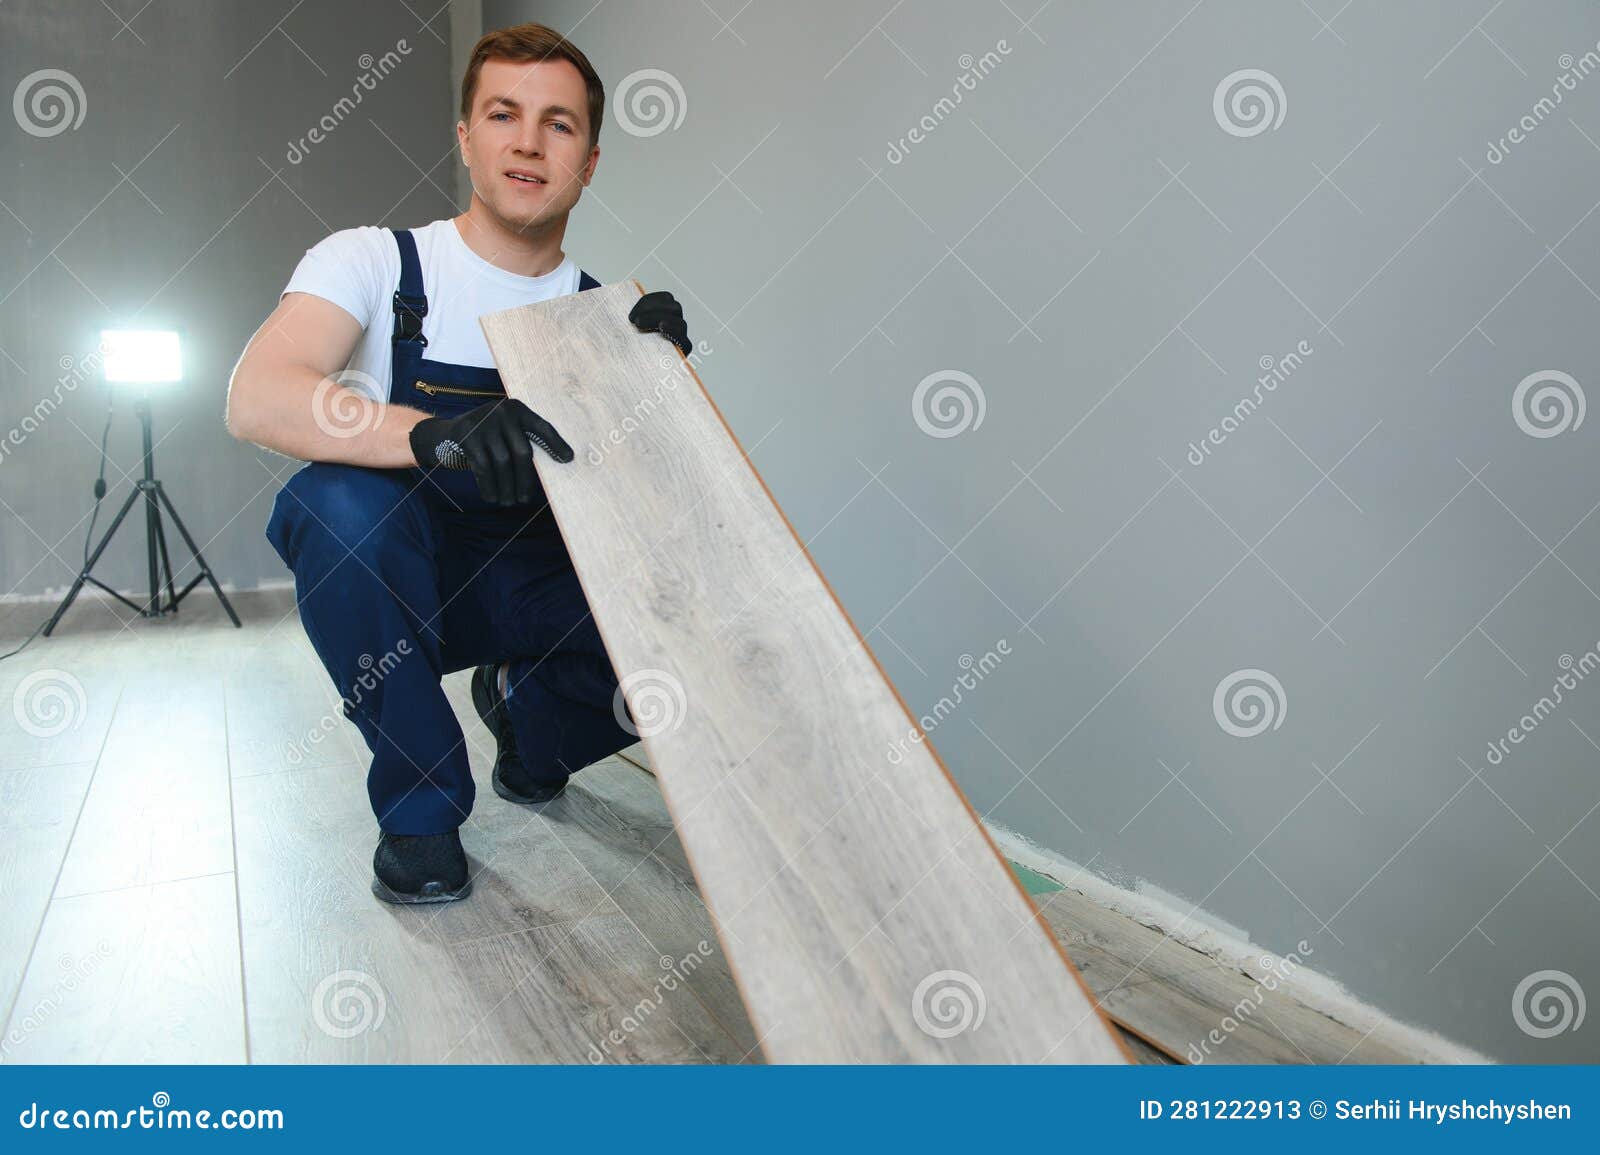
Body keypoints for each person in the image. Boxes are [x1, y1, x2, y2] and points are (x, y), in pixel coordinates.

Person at [225, 23, 690, 905]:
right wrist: (426, 436)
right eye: (503, 114)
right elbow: (259, 396)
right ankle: (421, 812)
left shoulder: (602, 316)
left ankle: (528, 718)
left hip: (530, 577)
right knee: (335, 505)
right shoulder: (374, 261)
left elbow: (645, 515)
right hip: (404, 571)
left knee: (680, 605)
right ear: (466, 138)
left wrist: (663, 389)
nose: (527, 140)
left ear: (589, 162)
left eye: (559, 124)